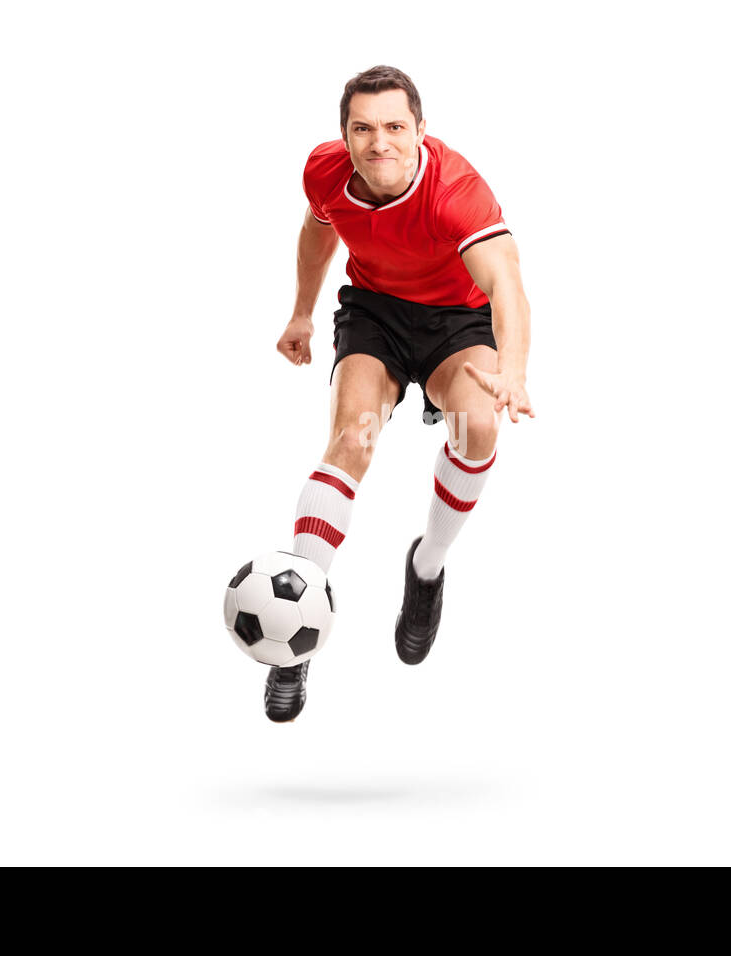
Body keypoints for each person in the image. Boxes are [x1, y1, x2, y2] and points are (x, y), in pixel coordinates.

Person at [265, 65, 534, 722]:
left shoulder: (455, 192)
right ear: (345, 135)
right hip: (376, 312)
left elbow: (506, 283)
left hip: (456, 320)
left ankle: (429, 565)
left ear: (419, 131)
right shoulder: (325, 172)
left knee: (478, 430)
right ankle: (295, 632)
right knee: (351, 439)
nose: (379, 142)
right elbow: (318, 228)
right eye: (363, 128)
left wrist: (515, 371)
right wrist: (301, 313)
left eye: (393, 127)